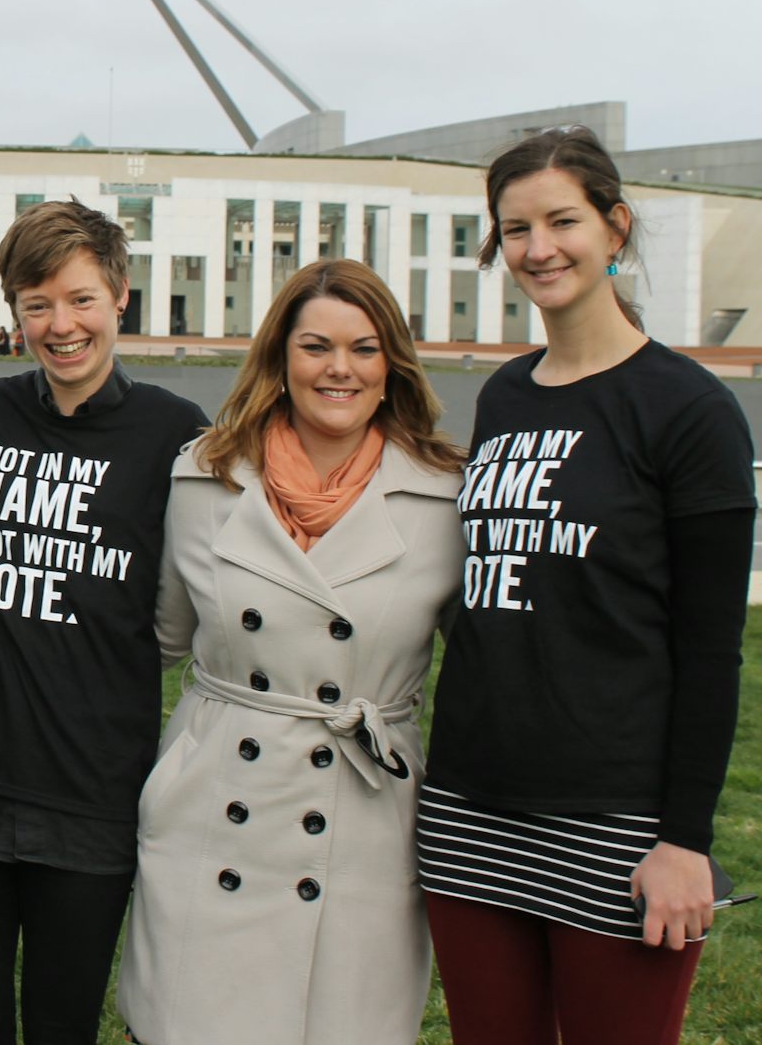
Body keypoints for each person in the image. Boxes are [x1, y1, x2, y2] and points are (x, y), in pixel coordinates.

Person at [417, 127, 755, 1045]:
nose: (539, 248)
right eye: (515, 228)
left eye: (562, 221)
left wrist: (684, 841)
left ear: (615, 226)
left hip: (617, 823)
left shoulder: (690, 410)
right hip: (471, 808)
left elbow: (710, 649)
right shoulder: (506, 396)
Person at [114, 259, 466, 1045]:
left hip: (361, 827)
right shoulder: (204, 478)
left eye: (364, 348)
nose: (341, 369)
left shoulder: (444, 495)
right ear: (280, 357)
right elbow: (158, 641)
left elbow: (491, 671)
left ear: (392, 365)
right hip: (214, 816)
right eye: (316, 347)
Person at [0, 200, 207, 1045]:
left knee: (63, 1026)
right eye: (37, 305)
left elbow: (190, 607)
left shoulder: (175, 435)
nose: (61, 326)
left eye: (80, 299)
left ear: (121, 296)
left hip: (90, 790)